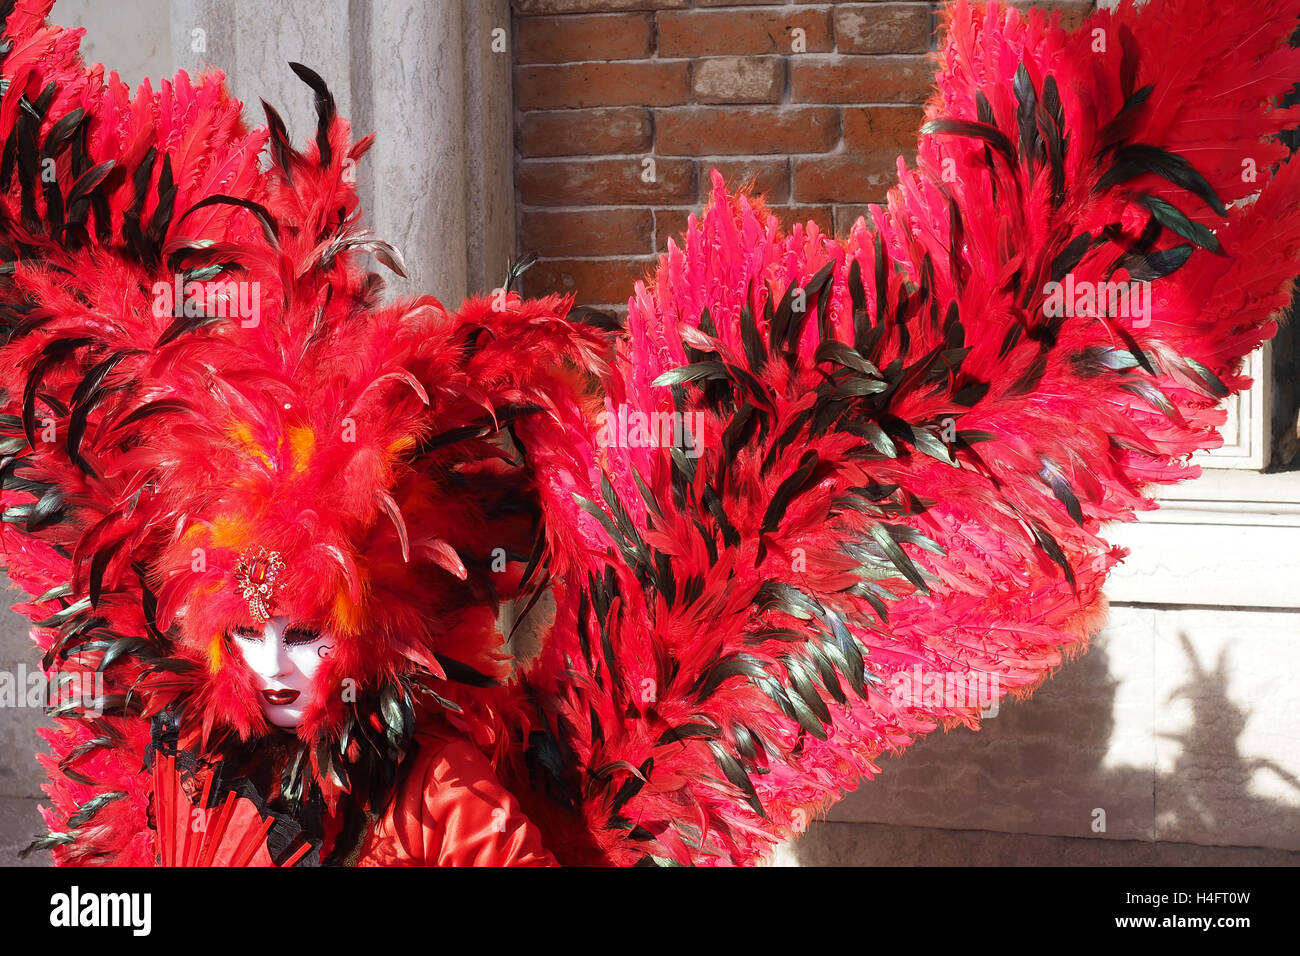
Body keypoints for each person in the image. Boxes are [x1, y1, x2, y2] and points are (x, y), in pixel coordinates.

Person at [8, 0, 1300, 866]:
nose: (282, 667)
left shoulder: (452, 802)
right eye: (254, 637)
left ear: (377, 631)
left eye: (307, 632)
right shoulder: (161, 741)